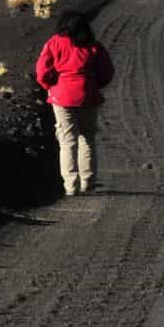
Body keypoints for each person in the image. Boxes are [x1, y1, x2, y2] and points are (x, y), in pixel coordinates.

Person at [36, 10, 116, 196]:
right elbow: (107, 71)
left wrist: (50, 86)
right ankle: (87, 182)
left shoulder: (54, 43)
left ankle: (71, 186)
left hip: (62, 97)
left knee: (67, 141)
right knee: (87, 138)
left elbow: (42, 71)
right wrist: (95, 85)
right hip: (88, 96)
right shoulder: (93, 46)